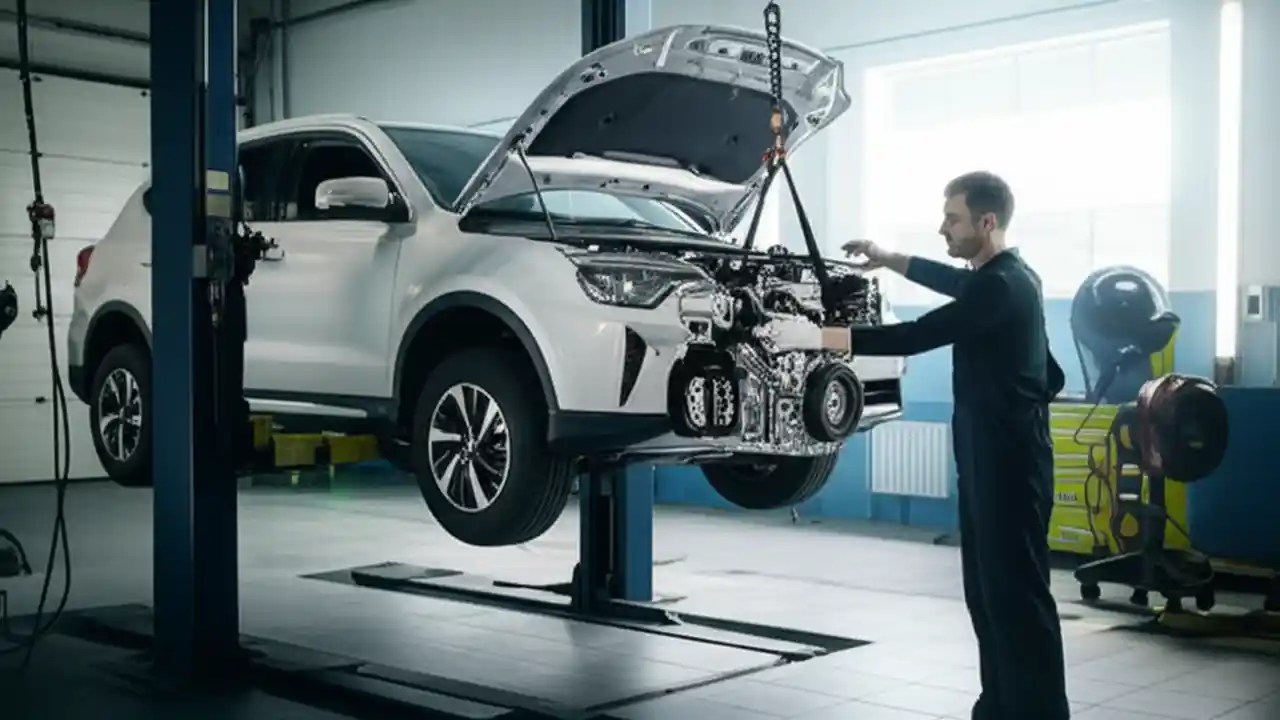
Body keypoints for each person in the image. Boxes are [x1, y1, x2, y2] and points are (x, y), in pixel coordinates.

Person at [770, 171, 1069, 719]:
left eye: (952, 219)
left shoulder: (1003, 286)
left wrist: (816, 338)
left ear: (987, 222)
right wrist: (887, 257)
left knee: (1017, 597)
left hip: (1009, 462)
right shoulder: (1001, 277)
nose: (942, 229)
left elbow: (913, 336)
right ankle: (1001, 706)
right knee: (986, 592)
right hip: (988, 454)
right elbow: (952, 284)